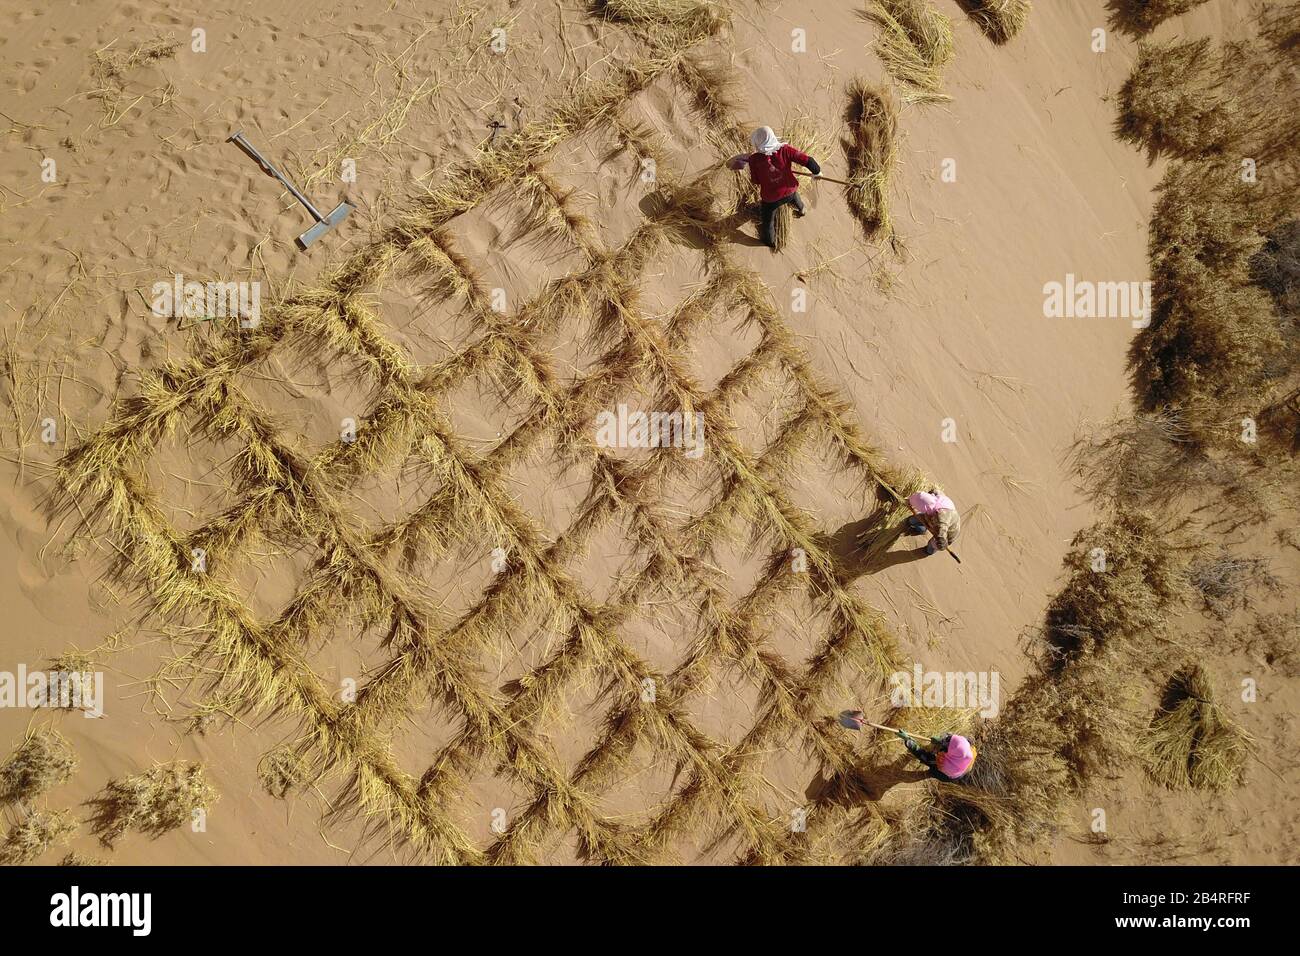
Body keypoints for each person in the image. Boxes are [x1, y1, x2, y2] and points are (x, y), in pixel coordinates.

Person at [727, 126, 821, 248]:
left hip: (771, 198)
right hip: (790, 189)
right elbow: (807, 160)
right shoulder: (785, 150)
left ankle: (769, 241)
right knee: (793, 196)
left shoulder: (754, 160)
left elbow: (756, 181)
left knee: (768, 220)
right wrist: (817, 172)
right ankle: (802, 209)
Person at [898, 729, 977, 781]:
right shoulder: (965, 745)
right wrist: (941, 741)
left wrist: (909, 741)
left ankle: (931, 774)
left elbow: (925, 757)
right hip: (962, 764)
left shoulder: (944, 764)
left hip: (947, 775)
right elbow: (955, 741)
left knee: (934, 770)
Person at [904, 487, 960, 556]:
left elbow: (942, 529)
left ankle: (929, 550)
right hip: (934, 518)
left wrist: (942, 541)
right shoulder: (936, 495)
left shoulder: (941, 519)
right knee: (912, 520)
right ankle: (922, 529)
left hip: (948, 532)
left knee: (932, 546)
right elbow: (933, 491)